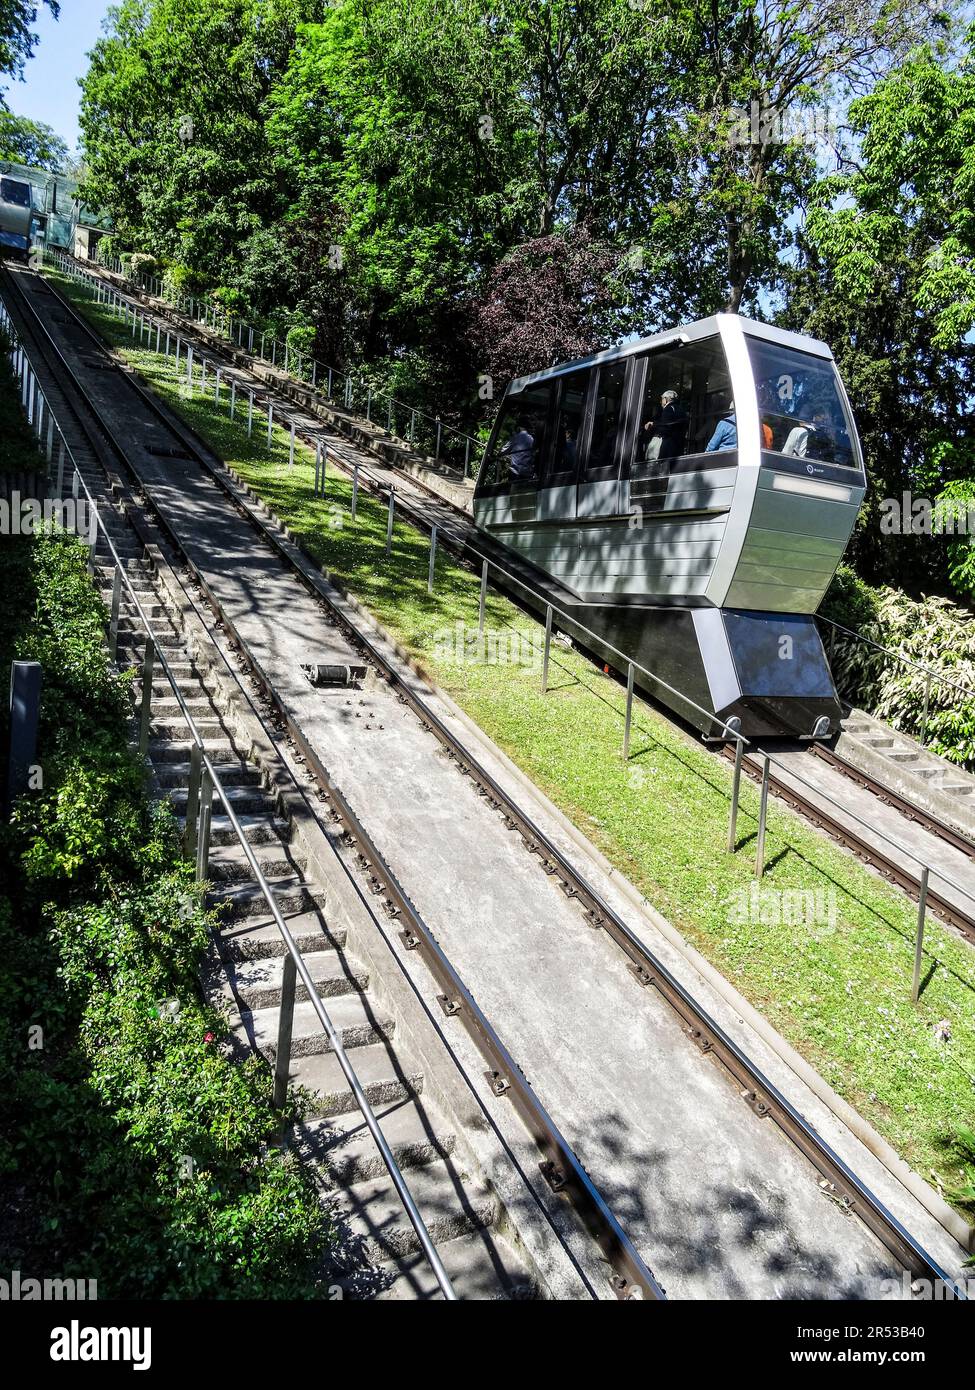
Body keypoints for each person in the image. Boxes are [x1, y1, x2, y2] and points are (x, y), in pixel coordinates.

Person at [642, 389, 688, 462]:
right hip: (679, 445)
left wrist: (653, 425)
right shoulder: (681, 410)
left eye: (662, 399)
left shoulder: (668, 409)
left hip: (668, 446)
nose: (661, 402)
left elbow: (665, 427)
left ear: (666, 399)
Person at [500, 416, 536, 480]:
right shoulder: (532, 439)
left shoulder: (515, 437)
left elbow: (503, 451)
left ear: (519, 427)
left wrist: (499, 453)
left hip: (515, 474)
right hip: (527, 474)